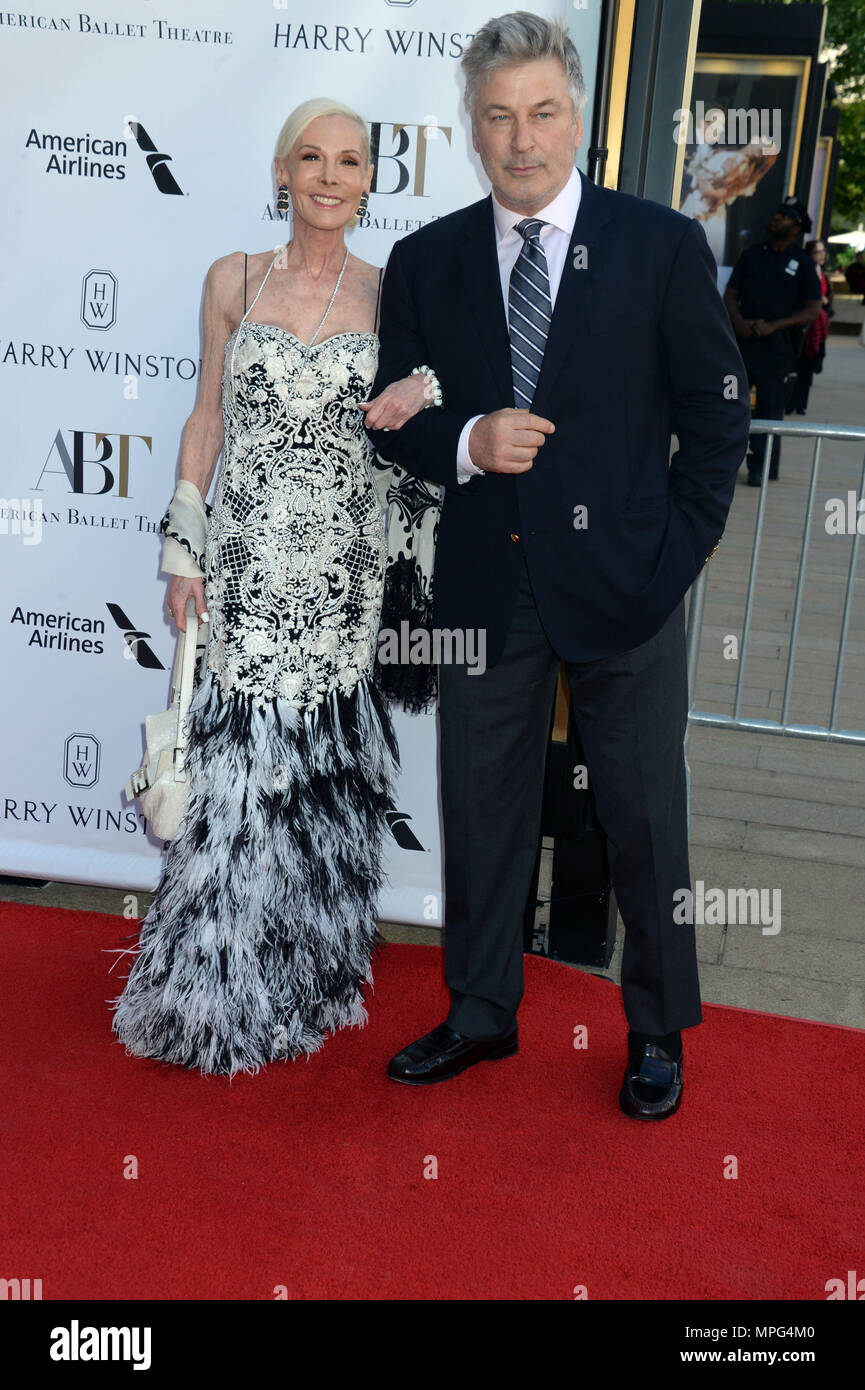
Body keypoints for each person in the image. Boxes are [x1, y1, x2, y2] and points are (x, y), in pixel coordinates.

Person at [366, 12, 751, 1120]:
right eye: (498, 116)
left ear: (576, 114)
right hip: (486, 585)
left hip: (628, 587)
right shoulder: (428, 259)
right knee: (480, 808)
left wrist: (673, 557)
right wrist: (467, 441)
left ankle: (657, 1031)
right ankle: (479, 1013)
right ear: (472, 127)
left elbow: (716, 420)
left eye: (541, 112)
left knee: (642, 814)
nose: (520, 138)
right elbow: (394, 420)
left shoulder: (659, 247)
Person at [111, 99, 434, 1077]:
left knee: (318, 784)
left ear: (370, 181)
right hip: (245, 570)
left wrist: (429, 392)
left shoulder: (393, 294)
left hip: (339, 579)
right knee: (236, 780)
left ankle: (310, 979)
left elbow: (437, 412)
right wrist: (182, 552)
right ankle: (208, 995)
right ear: (282, 170)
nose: (330, 176)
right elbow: (205, 421)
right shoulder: (234, 280)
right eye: (312, 157)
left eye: (350, 161)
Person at [724, 197, 821, 484]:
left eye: (785, 216)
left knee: (769, 410)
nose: (776, 218)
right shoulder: (752, 254)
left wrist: (774, 326)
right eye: (777, 213)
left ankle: (761, 469)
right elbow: (730, 295)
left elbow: (813, 309)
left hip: (777, 349)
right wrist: (739, 322)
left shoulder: (803, 263)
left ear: (797, 227)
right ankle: (724, 465)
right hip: (742, 344)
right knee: (731, 407)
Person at [788, 239, 832, 415]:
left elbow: (827, 296)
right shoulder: (805, 271)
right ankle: (791, 402)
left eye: (823, 251)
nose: (821, 255)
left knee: (808, 367)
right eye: (817, 252)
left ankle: (800, 404)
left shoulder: (821, 273)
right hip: (802, 326)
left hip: (816, 327)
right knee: (797, 365)